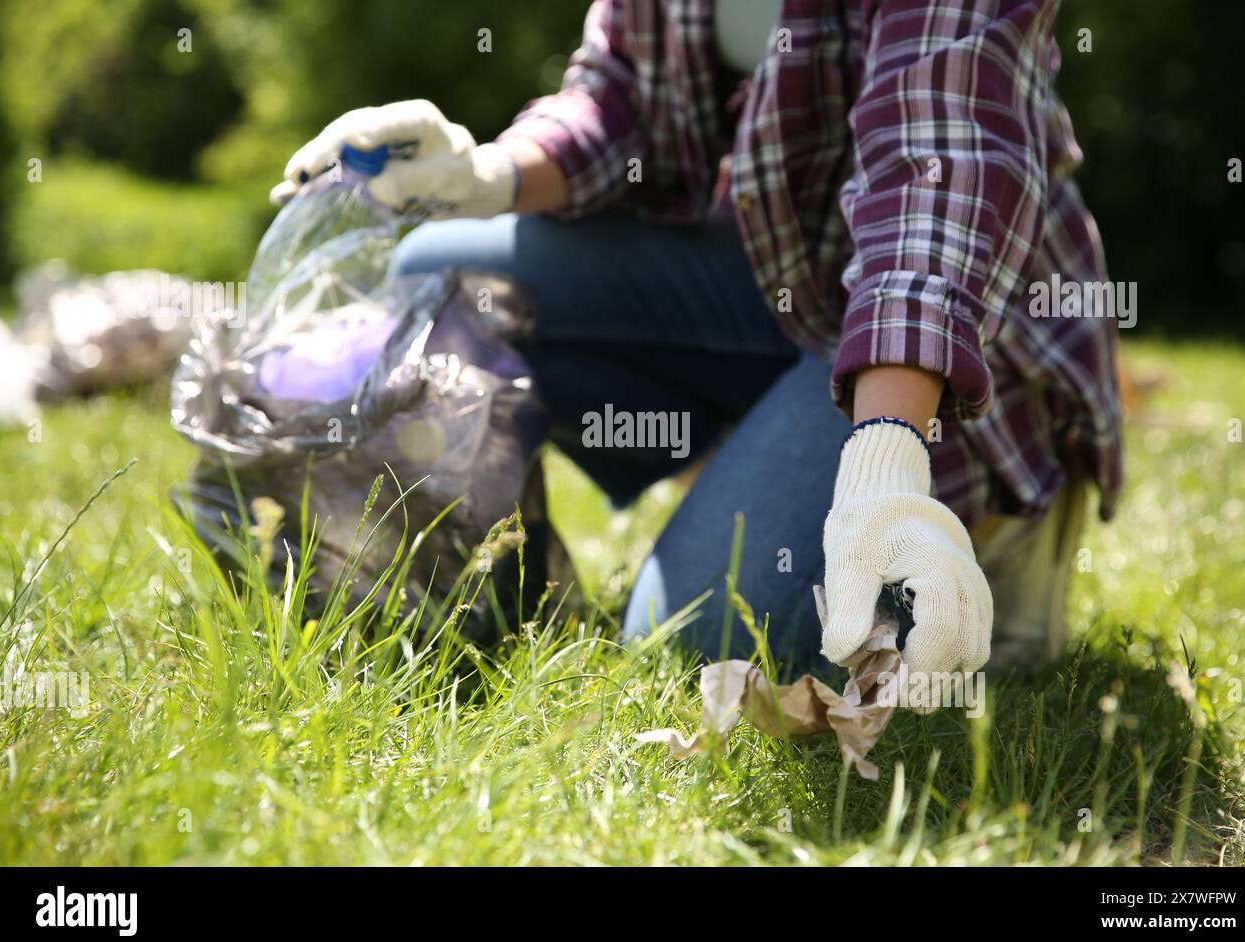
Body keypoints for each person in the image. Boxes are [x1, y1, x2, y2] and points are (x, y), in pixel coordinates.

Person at [270, 0, 1122, 695]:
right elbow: (620, 100)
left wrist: (886, 465)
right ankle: (534, 563)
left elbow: (937, 165)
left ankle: (986, 519)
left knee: (708, 646)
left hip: (956, 318)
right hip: (769, 276)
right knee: (441, 275)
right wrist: (485, 176)